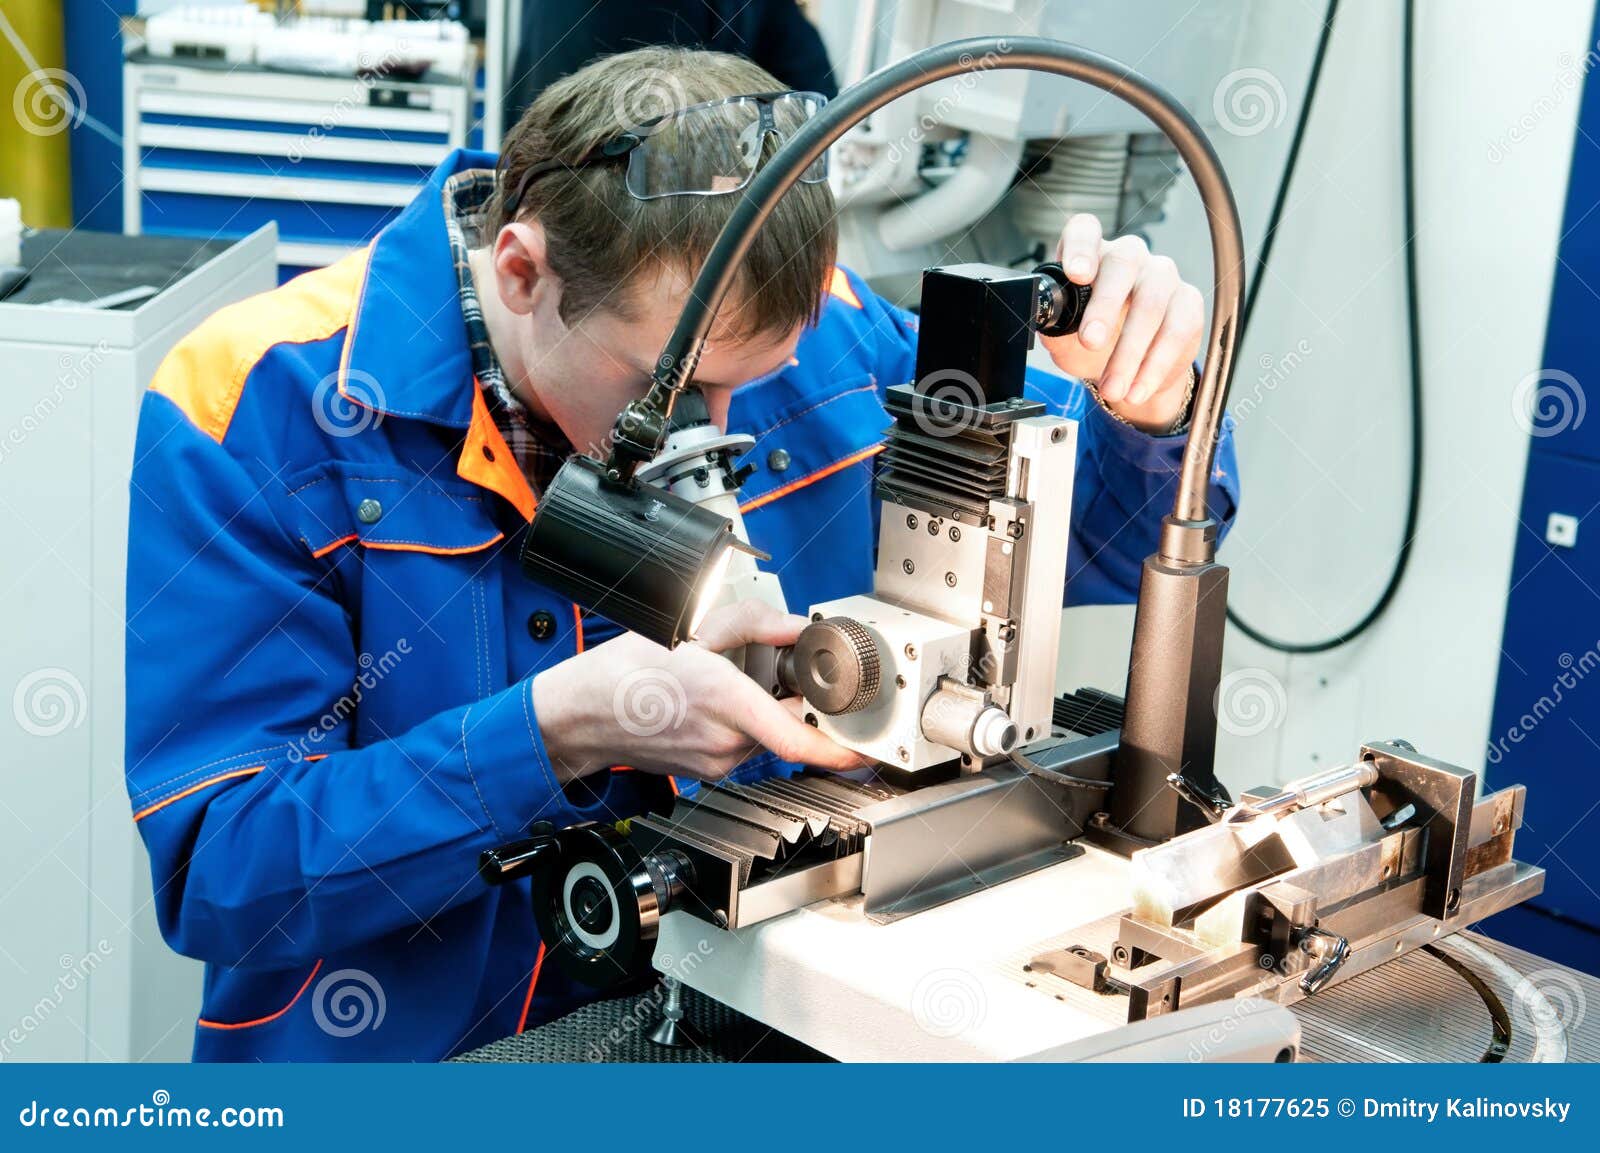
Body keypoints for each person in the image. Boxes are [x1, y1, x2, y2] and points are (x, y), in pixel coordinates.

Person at [125, 45, 1238, 1061]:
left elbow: (1105, 534)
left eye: (755, 382)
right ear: (521, 272)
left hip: (734, 1026)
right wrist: (553, 731)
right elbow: (226, 872)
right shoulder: (255, 409)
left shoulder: (822, 332)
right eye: (673, 386)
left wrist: (1152, 408)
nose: (715, 430)